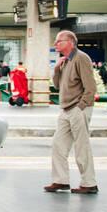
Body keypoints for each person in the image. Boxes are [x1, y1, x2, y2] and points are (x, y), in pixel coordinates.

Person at [44, 30, 98, 194]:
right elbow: (58, 85)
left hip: (77, 108)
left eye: (59, 41)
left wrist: (81, 107)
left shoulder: (81, 58)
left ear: (70, 42)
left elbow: (91, 87)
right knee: (58, 145)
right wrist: (57, 69)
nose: (55, 45)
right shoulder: (66, 61)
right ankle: (60, 181)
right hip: (66, 109)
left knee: (82, 147)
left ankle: (89, 183)